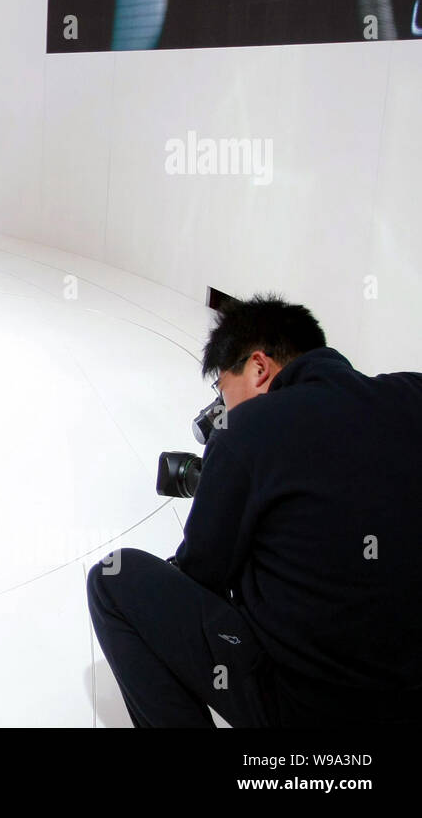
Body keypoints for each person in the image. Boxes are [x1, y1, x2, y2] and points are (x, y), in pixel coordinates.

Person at [88, 295, 422, 726]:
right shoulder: (412, 393)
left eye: (225, 393)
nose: (224, 411)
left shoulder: (246, 430)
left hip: (312, 708)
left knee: (113, 578)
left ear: (259, 367)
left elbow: (202, 575)